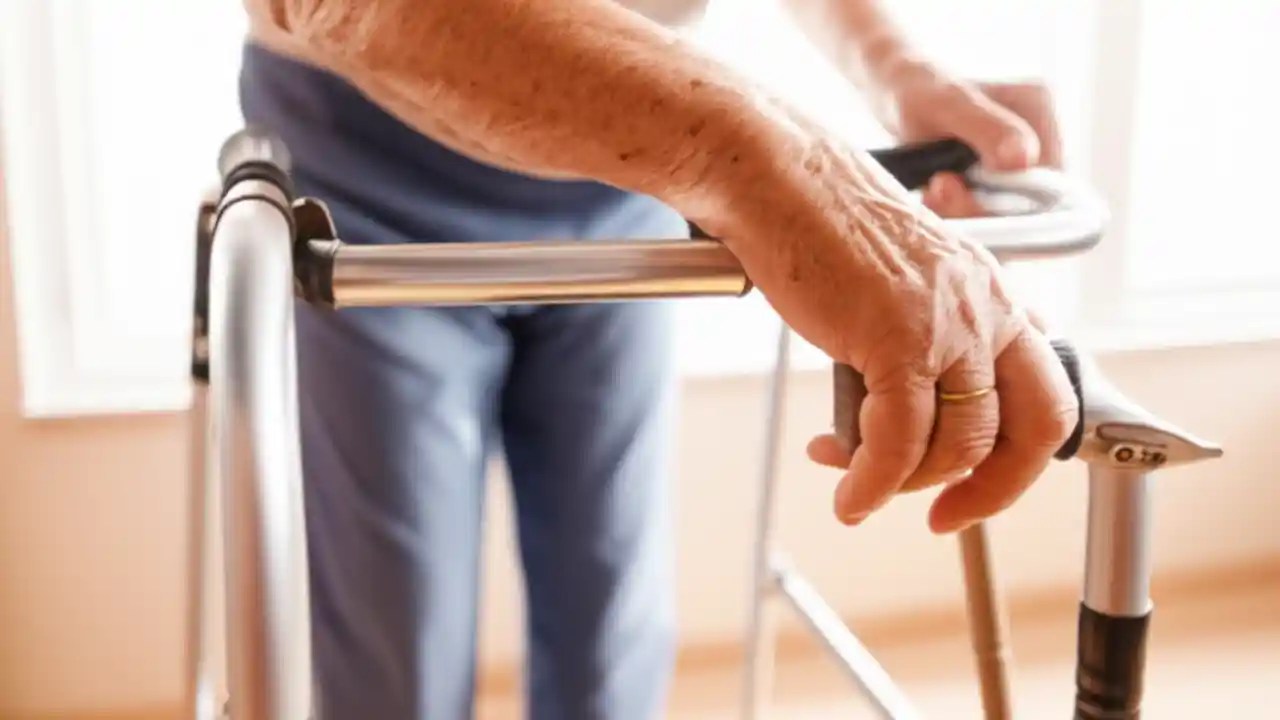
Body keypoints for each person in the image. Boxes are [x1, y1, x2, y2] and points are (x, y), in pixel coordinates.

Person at [238, 0, 1076, 717]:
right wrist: (787, 171)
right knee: (397, 628)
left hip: (626, 164)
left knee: (609, 612)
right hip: (369, 178)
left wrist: (899, 70)